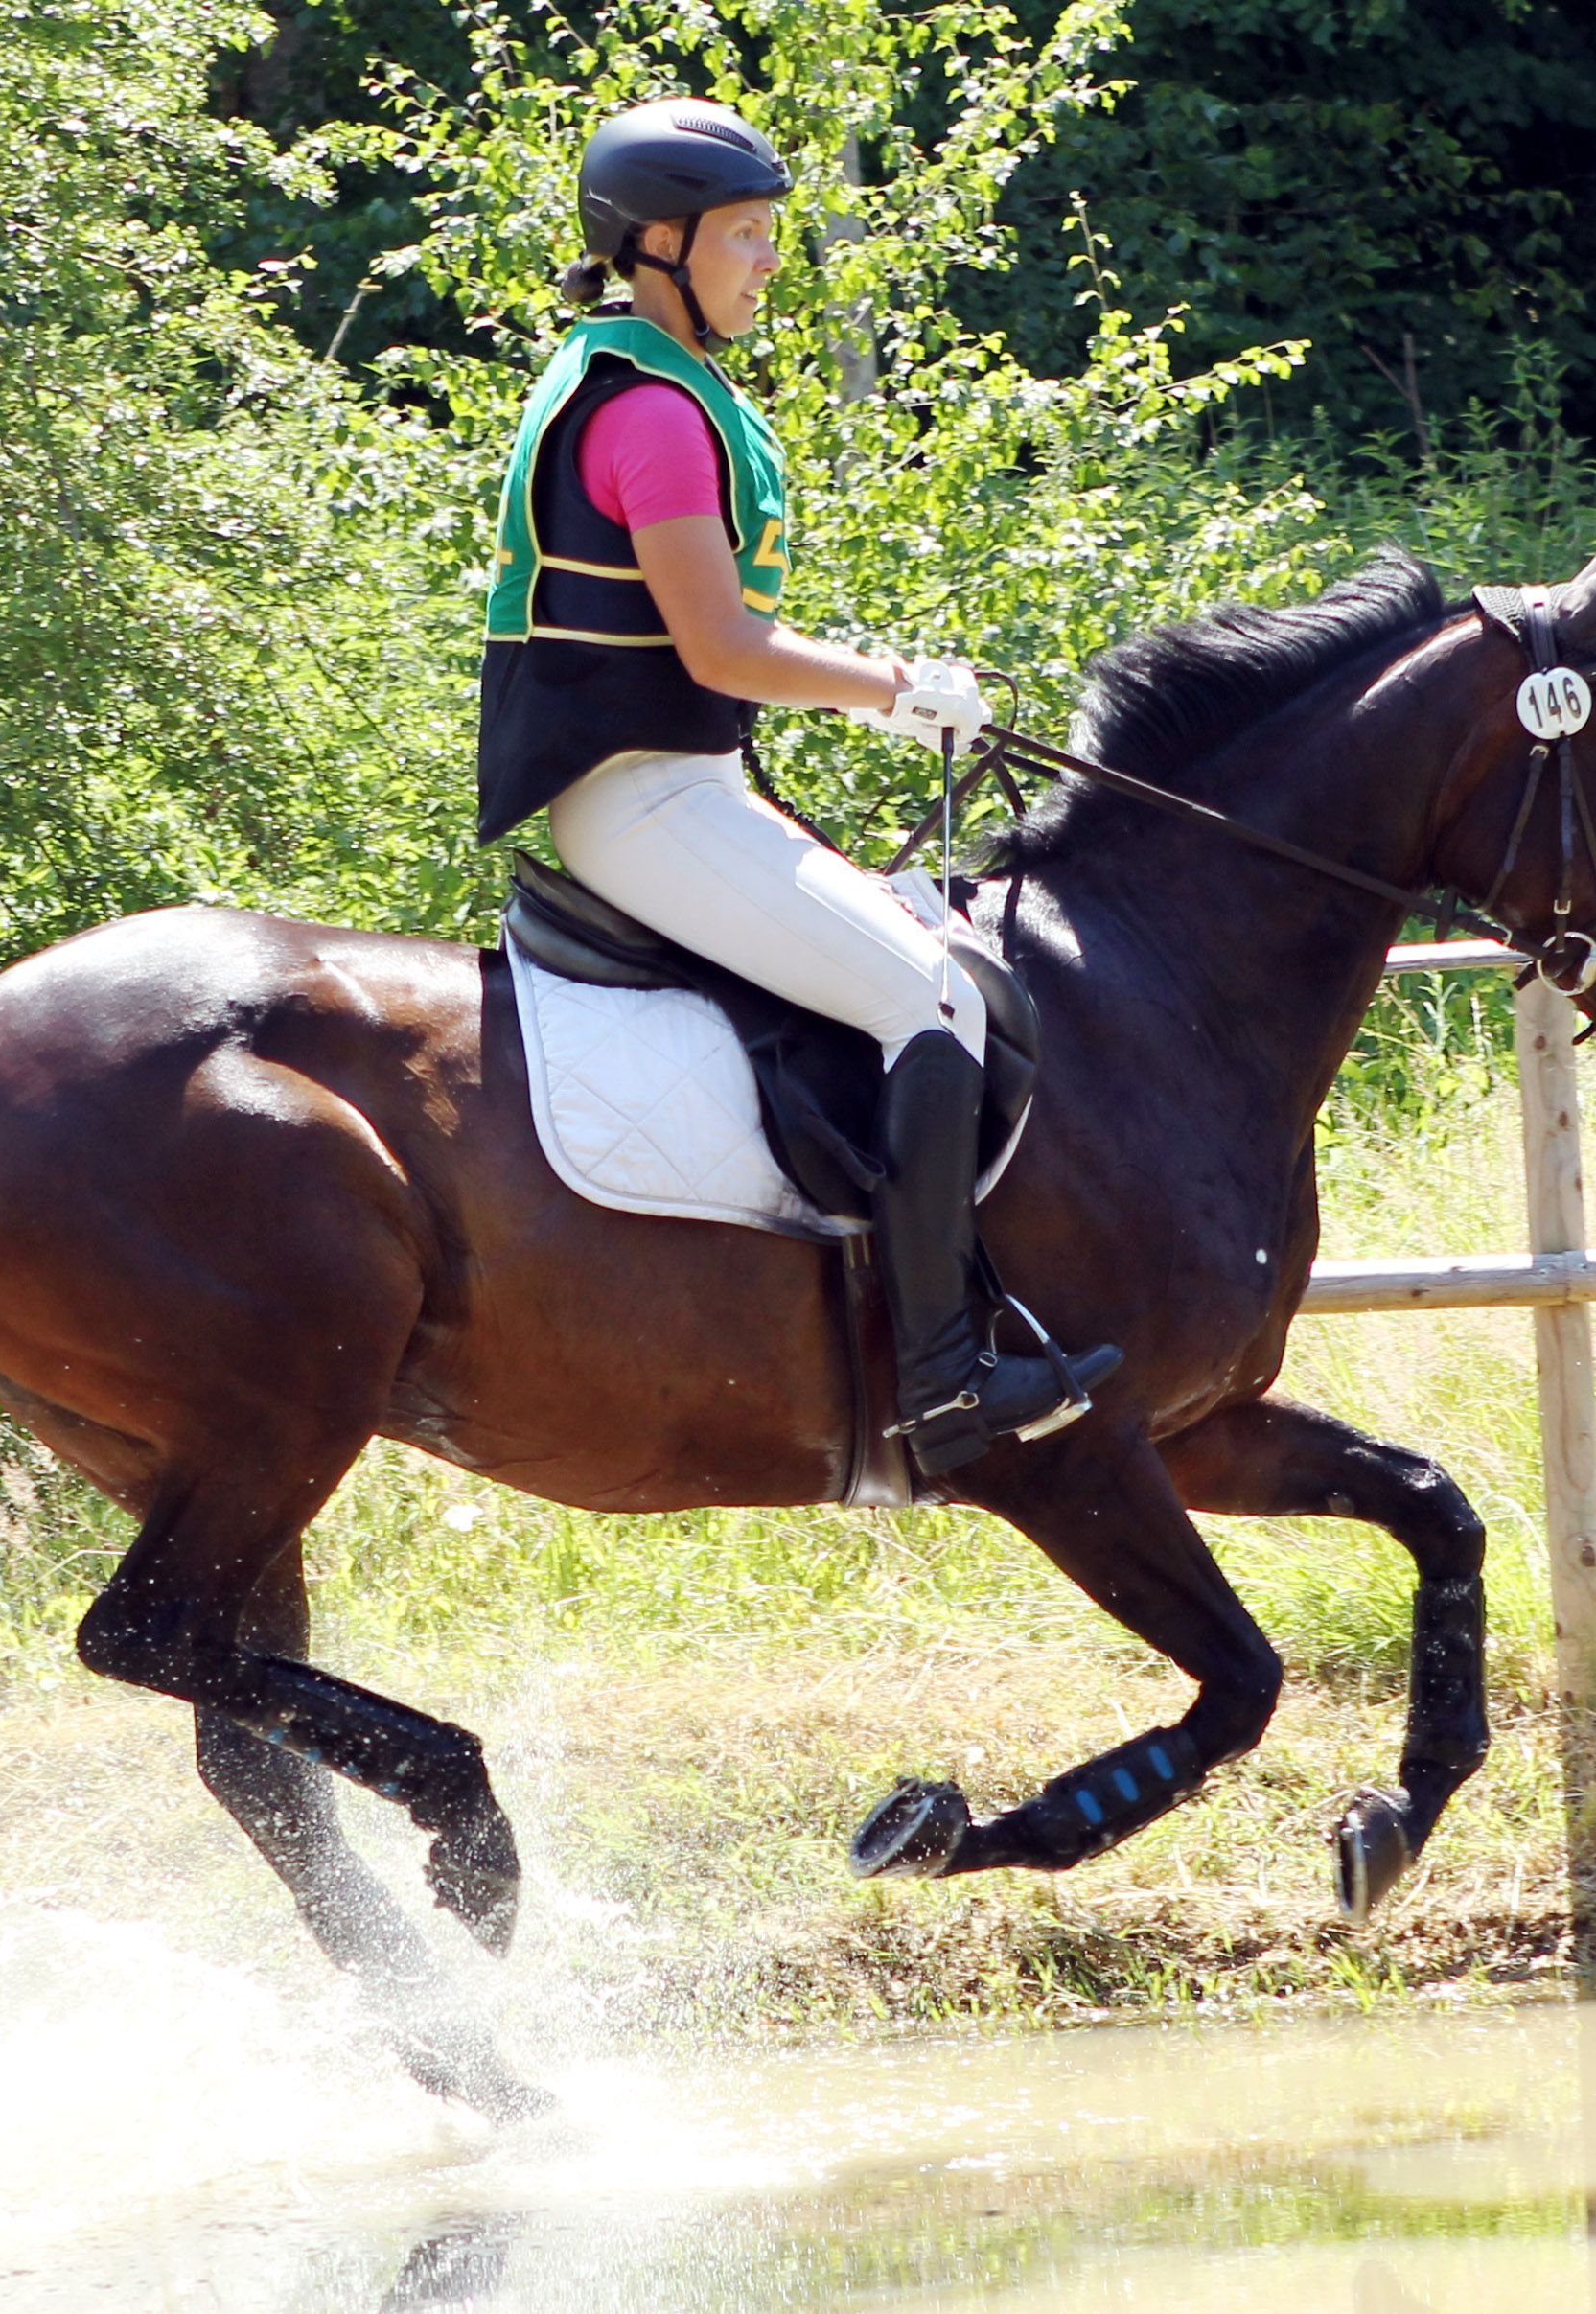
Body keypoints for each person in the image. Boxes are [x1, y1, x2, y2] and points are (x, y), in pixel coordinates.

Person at [478, 97, 1119, 1479]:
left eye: (771, 231)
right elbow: (720, 645)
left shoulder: (651, 377)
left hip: (688, 783)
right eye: (748, 235)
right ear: (659, 243)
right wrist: (898, 685)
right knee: (927, 999)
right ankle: (943, 1385)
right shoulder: (647, 411)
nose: (769, 260)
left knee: (935, 968)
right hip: (645, 801)